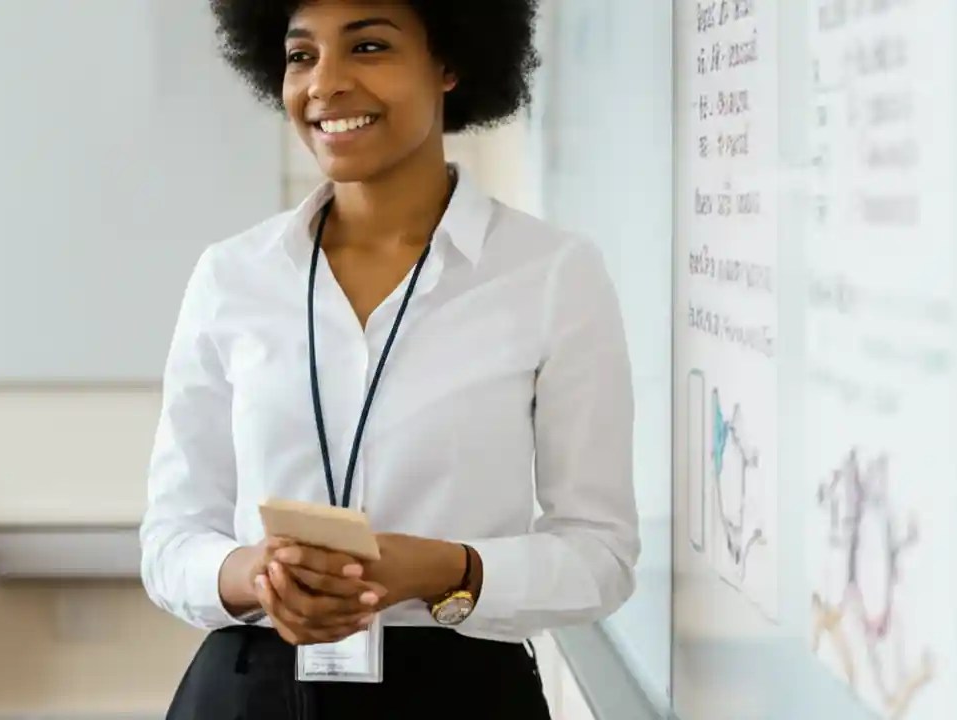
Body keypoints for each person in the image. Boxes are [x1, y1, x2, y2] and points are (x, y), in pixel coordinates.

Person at [141, 1, 640, 717]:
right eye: (302, 55)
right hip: (249, 691)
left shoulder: (552, 274)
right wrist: (256, 575)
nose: (325, 84)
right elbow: (170, 539)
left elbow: (600, 555)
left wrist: (443, 569)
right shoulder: (232, 276)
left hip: (460, 695)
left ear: (449, 64)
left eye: (368, 47)